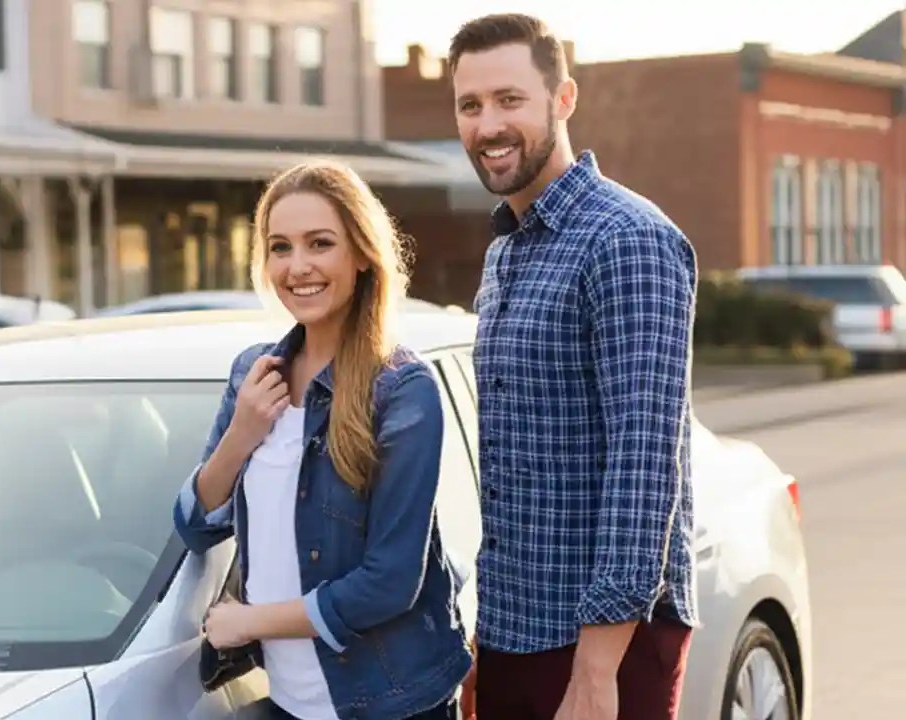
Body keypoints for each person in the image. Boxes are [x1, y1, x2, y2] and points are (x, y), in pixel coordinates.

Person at [449, 13, 700, 720]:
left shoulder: (628, 240)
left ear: (564, 99)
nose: (488, 125)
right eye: (471, 106)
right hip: (517, 631)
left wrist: (595, 674)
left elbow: (644, 465)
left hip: (604, 644)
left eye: (509, 100)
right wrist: (487, 641)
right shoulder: (506, 250)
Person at [172, 159, 471, 720]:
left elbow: (388, 585)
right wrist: (241, 434)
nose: (297, 266)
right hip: (290, 701)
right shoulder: (254, 374)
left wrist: (249, 621)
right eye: (280, 247)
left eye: (320, 243)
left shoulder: (402, 392)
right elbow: (194, 524)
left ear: (361, 254)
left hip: (391, 699)